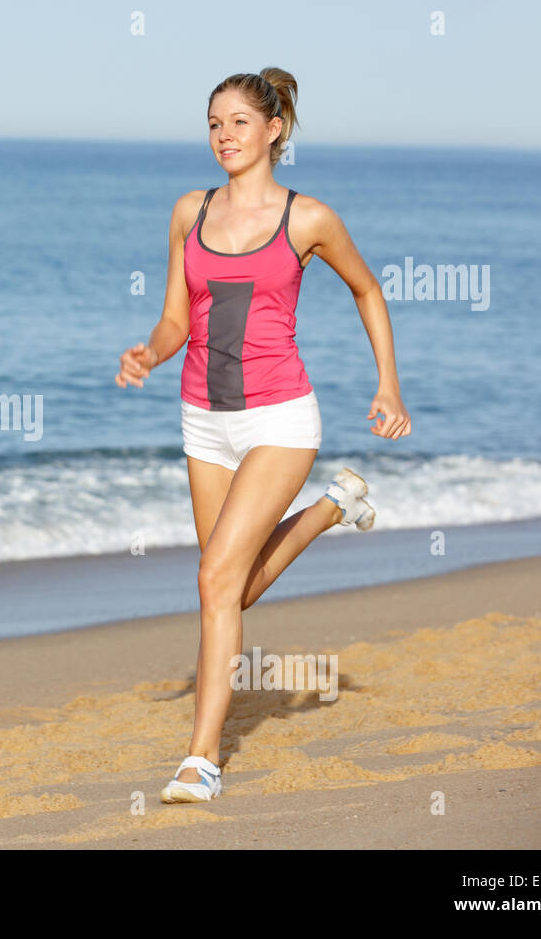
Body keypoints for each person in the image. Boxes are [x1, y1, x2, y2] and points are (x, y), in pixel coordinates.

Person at [114, 67, 411, 804]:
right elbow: (178, 318)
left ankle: (201, 759)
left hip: (281, 419)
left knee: (213, 580)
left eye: (239, 122)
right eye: (214, 123)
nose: (224, 136)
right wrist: (151, 350)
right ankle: (331, 508)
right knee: (232, 589)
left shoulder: (307, 218)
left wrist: (388, 385)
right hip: (202, 421)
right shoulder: (190, 210)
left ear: (274, 129)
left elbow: (367, 288)